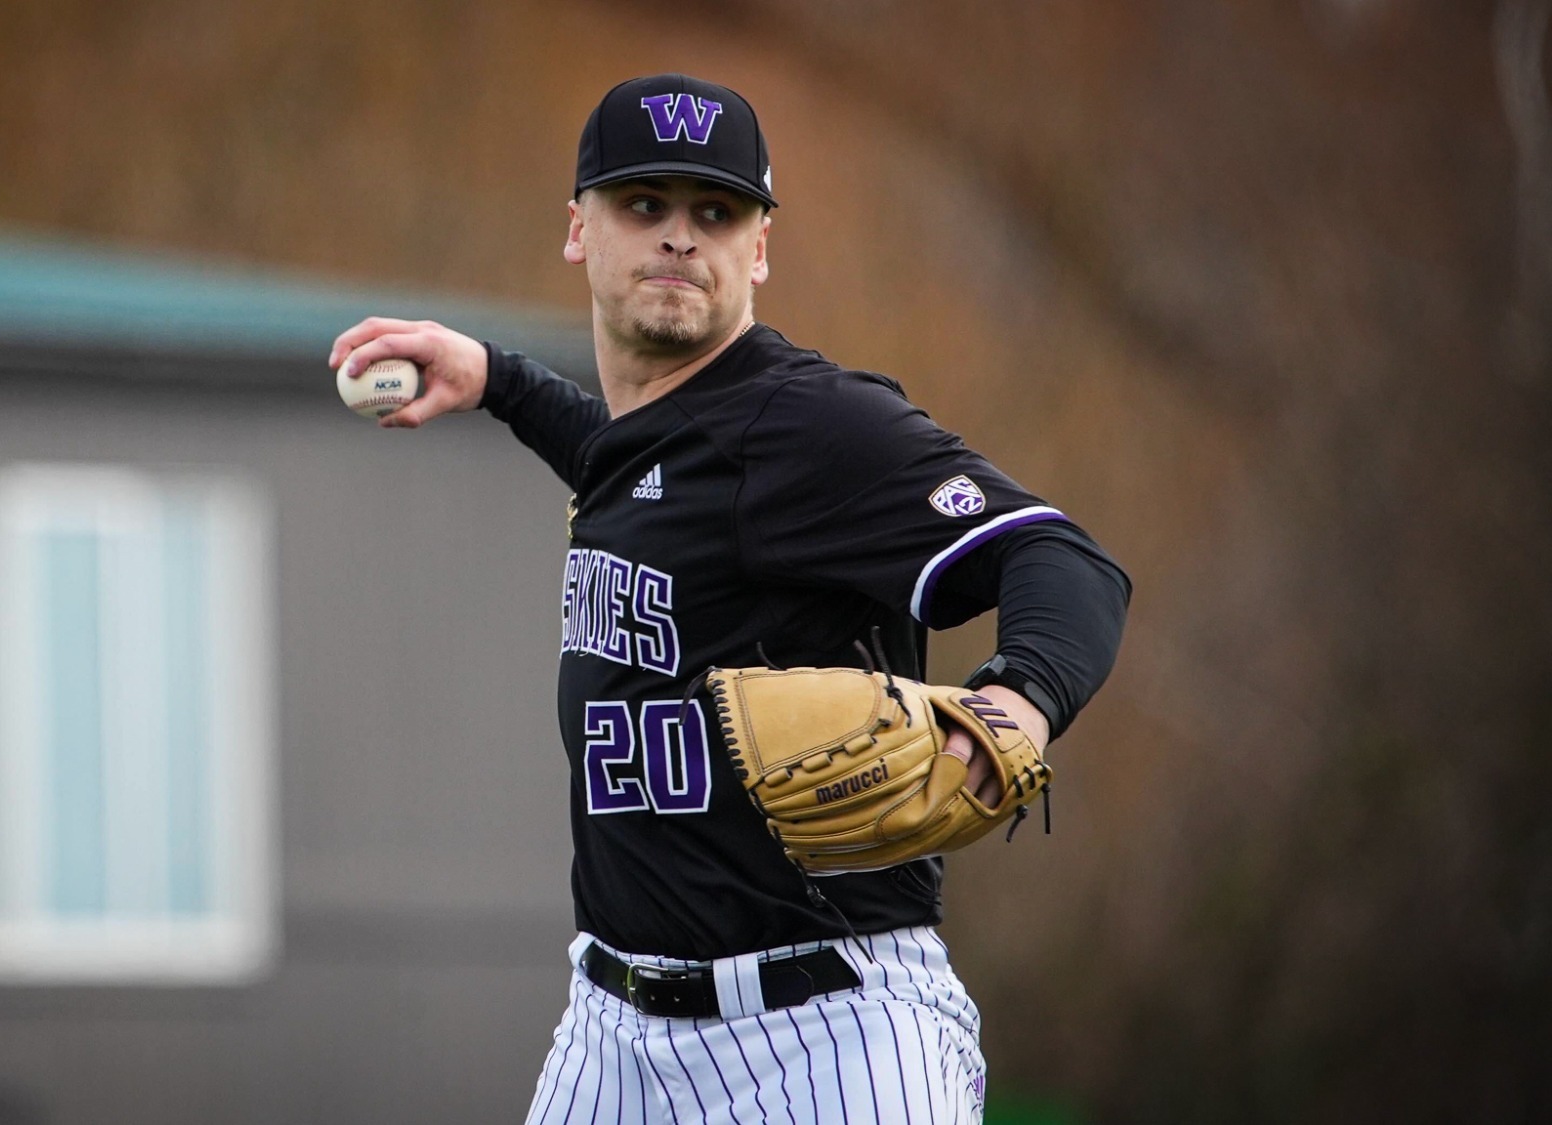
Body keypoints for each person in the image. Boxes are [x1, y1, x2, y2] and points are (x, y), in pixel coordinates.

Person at [330, 73, 1130, 1125]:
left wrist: (1013, 702)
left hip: (824, 1032)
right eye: (643, 205)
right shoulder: (659, 438)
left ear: (757, 249)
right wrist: (497, 381)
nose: (677, 237)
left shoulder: (809, 425)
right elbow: (645, 477)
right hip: (610, 1033)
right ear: (579, 230)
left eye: (714, 211)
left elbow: (1061, 560)